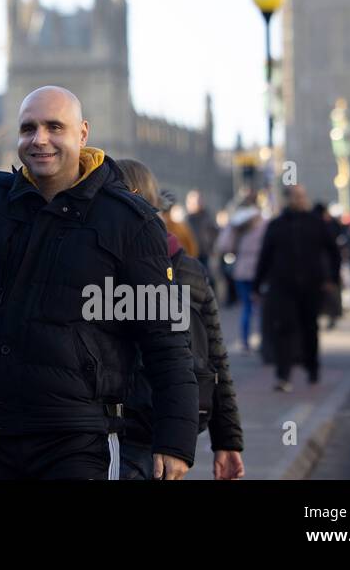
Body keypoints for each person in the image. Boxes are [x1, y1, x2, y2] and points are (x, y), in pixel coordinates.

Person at [0, 80, 198, 480]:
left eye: (54, 127)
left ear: (82, 134)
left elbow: (165, 337)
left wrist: (174, 440)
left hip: (80, 436)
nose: (39, 139)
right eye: (28, 128)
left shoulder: (128, 222)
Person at [117, 160, 244, 480]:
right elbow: (216, 356)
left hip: (127, 426)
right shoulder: (189, 267)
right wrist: (227, 441)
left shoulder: (112, 264)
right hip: (171, 427)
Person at [254, 185, 339, 391]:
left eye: (302, 196)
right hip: (283, 286)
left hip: (311, 285)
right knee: (284, 328)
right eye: (296, 197)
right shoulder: (277, 224)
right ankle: (283, 375)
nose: (300, 200)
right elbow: (265, 255)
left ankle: (312, 368)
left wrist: (331, 279)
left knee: (310, 328)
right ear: (288, 200)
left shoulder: (316, 223)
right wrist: (257, 284)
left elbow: (333, 251)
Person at [215, 197, 267, 351]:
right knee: (260, 307)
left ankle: (245, 341)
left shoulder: (237, 224)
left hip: (241, 270)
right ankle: (262, 340)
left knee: (246, 307)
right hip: (259, 270)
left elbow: (223, 246)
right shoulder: (264, 224)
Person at [186, 189, 219, 283]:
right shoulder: (187, 220)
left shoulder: (207, 217)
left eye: (198, 200)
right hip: (191, 256)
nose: (197, 203)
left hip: (205, 255)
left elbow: (214, 233)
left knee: (208, 280)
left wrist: (211, 248)